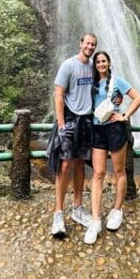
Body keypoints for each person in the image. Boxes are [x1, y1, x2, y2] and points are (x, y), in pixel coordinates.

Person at [84, 50, 140, 245]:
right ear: (95, 65)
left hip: (115, 129)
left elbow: (138, 98)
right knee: (98, 174)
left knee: (119, 171)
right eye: (98, 61)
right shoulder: (91, 84)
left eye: (104, 61)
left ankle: (117, 210)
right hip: (97, 130)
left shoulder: (117, 81)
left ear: (109, 63)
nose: (101, 64)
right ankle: (95, 220)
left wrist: (124, 115)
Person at [48, 32, 98, 238]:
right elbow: (58, 94)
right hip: (69, 119)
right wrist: (61, 123)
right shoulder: (68, 65)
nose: (90, 47)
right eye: (88, 43)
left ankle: (77, 207)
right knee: (65, 164)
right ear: (80, 43)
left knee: (79, 164)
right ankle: (58, 213)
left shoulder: (93, 67)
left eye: (93, 44)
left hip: (86, 121)